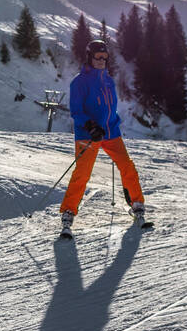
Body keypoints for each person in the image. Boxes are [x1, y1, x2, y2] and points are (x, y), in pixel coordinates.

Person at [59, 39, 146, 237]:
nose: (101, 61)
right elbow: (76, 111)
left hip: (110, 131)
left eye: (105, 58)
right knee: (82, 173)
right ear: (89, 57)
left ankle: (137, 204)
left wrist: (113, 121)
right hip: (88, 134)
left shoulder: (108, 80)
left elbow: (110, 106)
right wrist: (90, 126)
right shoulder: (79, 82)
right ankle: (68, 213)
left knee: (127, 166)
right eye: (98, 57)